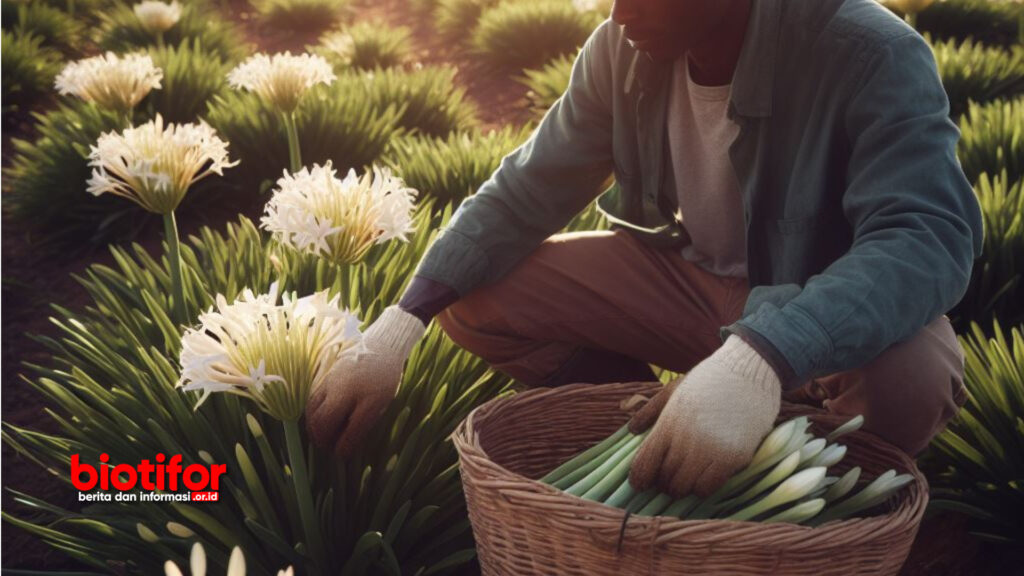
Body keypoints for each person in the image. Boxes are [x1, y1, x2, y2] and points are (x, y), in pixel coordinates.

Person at [306, 0, 983, 499]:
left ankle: (783, 485)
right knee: (479, 296)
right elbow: (525, 191)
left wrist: (763, 357)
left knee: (908, 388)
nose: (617, 8)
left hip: (819, 303)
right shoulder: (618, 48)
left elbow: (926, 233)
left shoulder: (867, 52)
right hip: (694, 284)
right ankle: (644, 426)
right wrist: (404, 320)